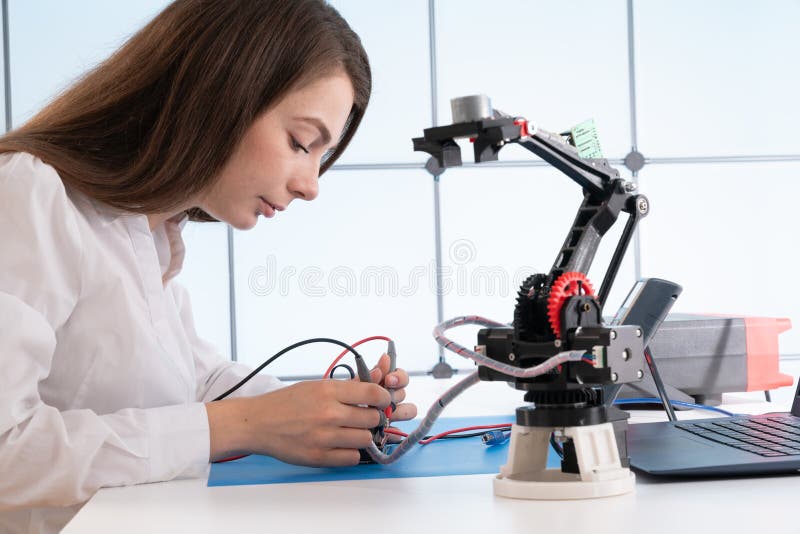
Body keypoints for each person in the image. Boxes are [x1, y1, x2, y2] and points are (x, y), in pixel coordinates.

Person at [0, 1, 416, 532]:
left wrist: (332, 411)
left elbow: (202, 381)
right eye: (300, 143)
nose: (311, 185)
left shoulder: (150, 237)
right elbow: (6, 449)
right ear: (220, 94)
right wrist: (239, 426)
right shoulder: (29, 194)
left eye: (320, 156)